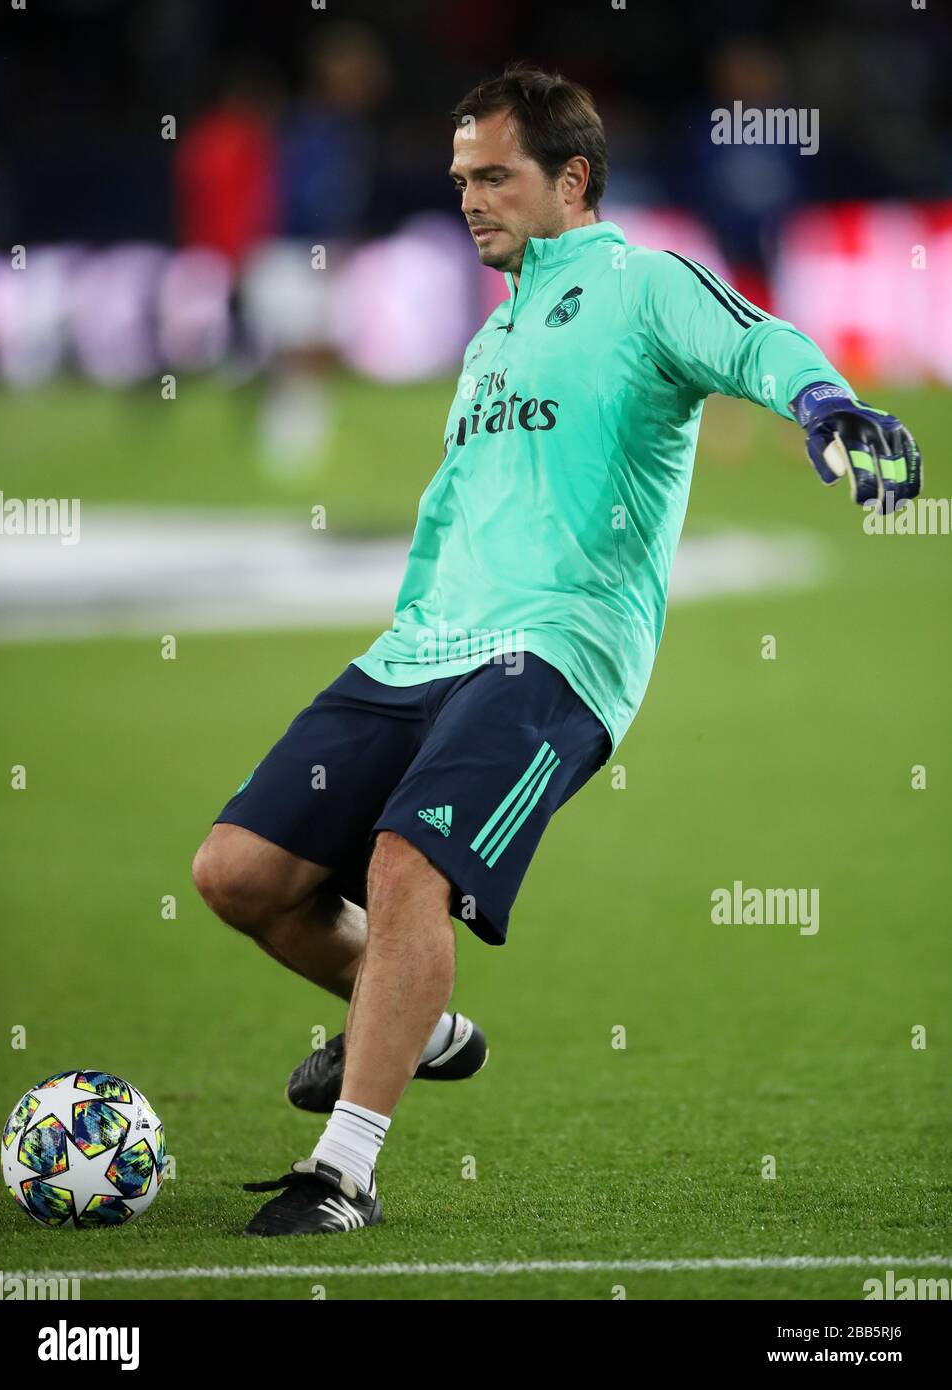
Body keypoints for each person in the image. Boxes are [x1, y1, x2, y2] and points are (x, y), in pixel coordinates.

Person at [191, 62, 921, 1238]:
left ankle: (342, 1173)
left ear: (570, 178)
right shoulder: (496, 332)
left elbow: (761, 341)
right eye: (460, 179)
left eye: (494, 176)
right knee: (237, 874)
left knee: (404, 866)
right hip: (421, 647)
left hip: (558, 651)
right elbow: (452, 514)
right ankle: (420, 1027)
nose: (469, 199)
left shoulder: (642, 284)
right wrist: (402, 640)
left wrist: (827, 408)